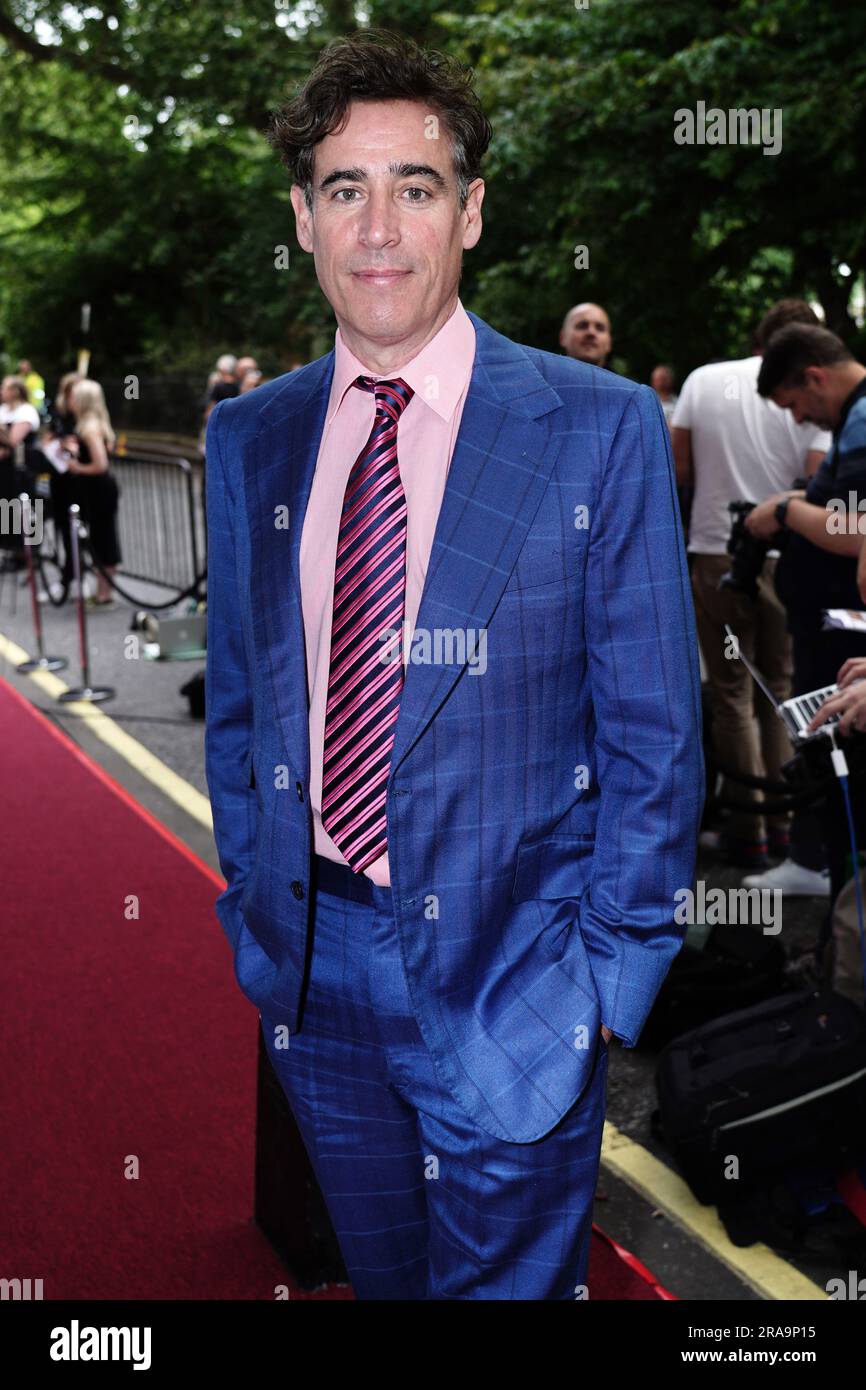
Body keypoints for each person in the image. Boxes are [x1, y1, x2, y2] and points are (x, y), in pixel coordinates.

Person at [204, 28, 703, 1302]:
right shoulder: (250, 439)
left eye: (413, 187)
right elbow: (247, 698)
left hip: (518, 981)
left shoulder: (595, 429)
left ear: (469, 212)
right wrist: (256, 907)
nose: (378, 226)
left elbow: (655, 729)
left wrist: (605, 976)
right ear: (302, 219)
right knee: (383, 1282)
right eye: (343, 189)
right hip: (316, 978)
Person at [670, 300, 830, 875]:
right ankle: (789, 826)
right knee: (781, 689)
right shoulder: (813, 388)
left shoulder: (704, 381)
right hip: (791, 554)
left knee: (732, 694)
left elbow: (679, 468)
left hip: (718, 551)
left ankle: (749, 832)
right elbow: (816, 476)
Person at [743, 323, 866, 898]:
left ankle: (838, 875)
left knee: (839, 751)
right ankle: (834, 873)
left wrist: (788, 510)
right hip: (836, 624)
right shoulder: (852, 420)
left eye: (795, 404)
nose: (797, 420)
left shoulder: (863, 418)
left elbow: (855, 527)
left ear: (815, 376)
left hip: (844, 627)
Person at [64, 379, 122, 607]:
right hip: (98, 490)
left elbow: (100, 464)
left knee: (103, 539)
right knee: (102, 538)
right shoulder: (94, 423)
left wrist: (76, 466)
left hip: (98, 489)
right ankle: (103, 591)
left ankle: (104, 594)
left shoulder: (89, 428)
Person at [0, 375, 42, 570]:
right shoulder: (4, 410)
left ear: (15, 391)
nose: (2, 391)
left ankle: (29, 553)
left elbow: (12, 441)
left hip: (22, 469)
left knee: (25, 508)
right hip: (5, 471)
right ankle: (13, 550)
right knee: (7, 509)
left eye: (5, 387)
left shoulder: (26, 411)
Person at [559, 301, 613, 368]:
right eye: (582, 326)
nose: (591, 332)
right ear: (563, 337)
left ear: (609, 342)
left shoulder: (624, 379)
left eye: (600, 328)